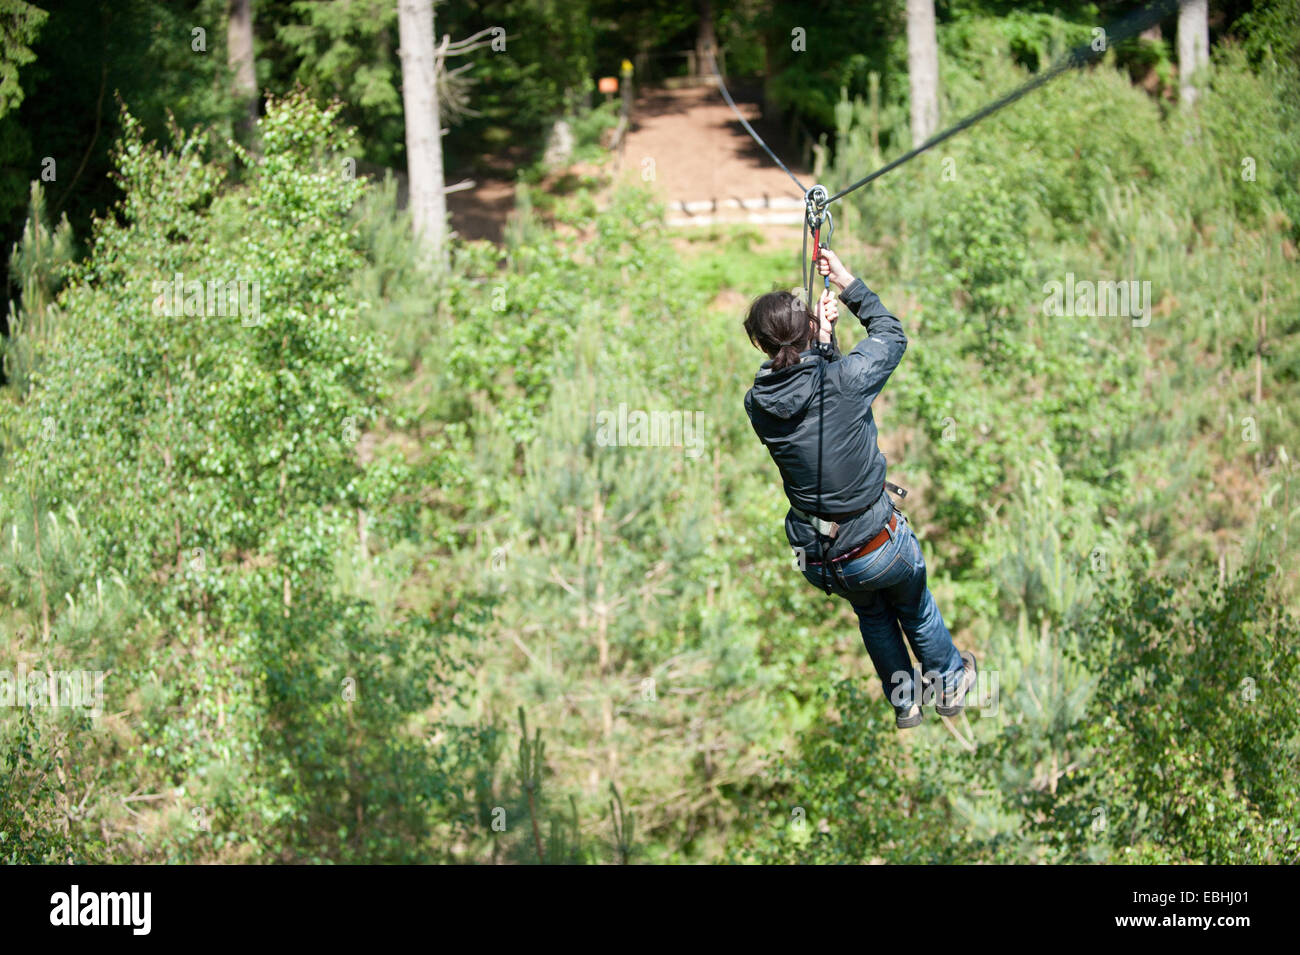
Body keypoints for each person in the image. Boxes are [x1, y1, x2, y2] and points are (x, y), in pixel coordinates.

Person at [742, 246, 976, 728]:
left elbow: (809, 394)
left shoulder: (757, 404)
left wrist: (820, 341)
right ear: (806, 331)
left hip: (824, 557)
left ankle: (905, 702)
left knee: (873, 615)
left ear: (762, 346)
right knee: (914, 606)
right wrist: (848, 286)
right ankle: (949, 685)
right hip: (878, 546)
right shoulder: (844, 380)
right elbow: (891, 335)